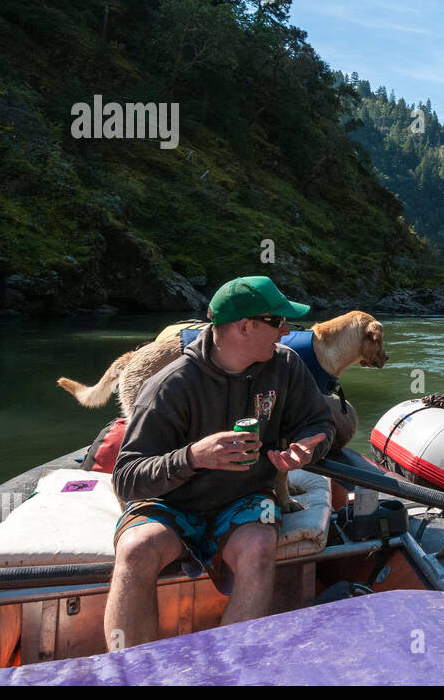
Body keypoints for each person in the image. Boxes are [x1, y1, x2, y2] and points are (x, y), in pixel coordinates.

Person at [104, 275, 336, 651]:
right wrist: (194, 457)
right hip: (171, 502)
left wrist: (309, 449)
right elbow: (127, 479)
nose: (287, 330)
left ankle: (234, 670)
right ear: (245, 326)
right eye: (277, 321)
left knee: (259, 547)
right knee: (136, 549)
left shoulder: (286, 366)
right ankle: (131, 672)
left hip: (243, 496)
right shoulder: (170, 386)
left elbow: (318, 423)